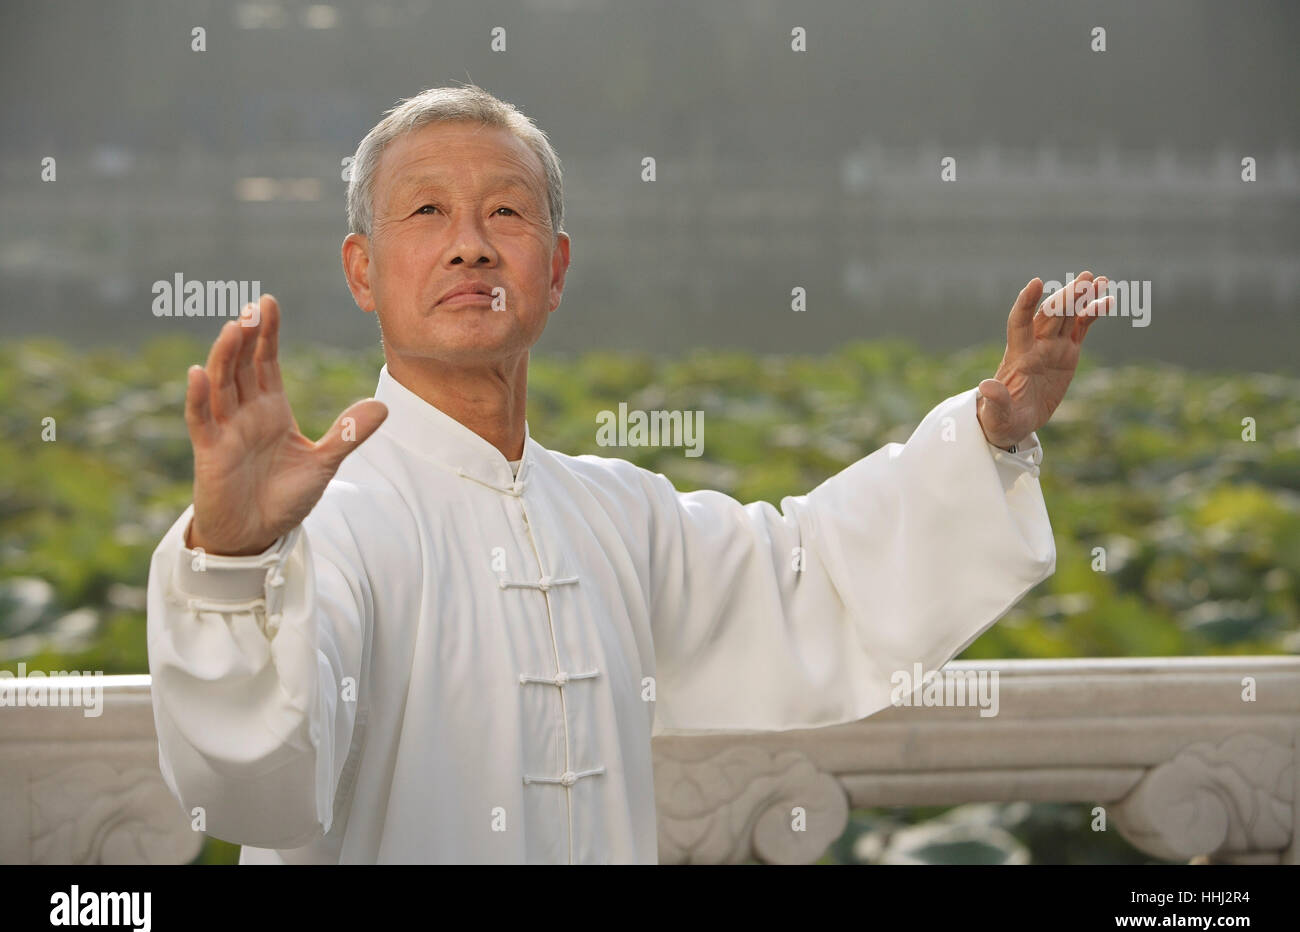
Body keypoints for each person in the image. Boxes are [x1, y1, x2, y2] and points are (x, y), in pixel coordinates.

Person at [145, 85, 1112, 864]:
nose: (471, 242)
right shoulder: (337, 529)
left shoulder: (618, 514)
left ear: (555, 270)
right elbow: (258, 785)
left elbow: (810, 574)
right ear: (362, 270)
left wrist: (988, 431)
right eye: (428, 210)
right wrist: (232, 559)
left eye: (507, 212)